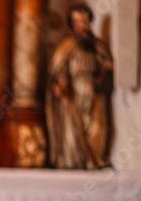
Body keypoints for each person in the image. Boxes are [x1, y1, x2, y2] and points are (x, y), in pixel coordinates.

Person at [45, 2, 113, 169]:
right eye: (79, 23)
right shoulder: (66, 48)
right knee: (72, 140)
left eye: (86, 22)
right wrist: (57, 86)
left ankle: (94, 162)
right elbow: (56, 74)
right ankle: (72, 167)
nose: (84, 27)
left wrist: (106, 71)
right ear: (72, 25)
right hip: (72, 99)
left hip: (94, 99)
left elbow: (106, 70)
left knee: (96, 134)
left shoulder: (98, 47)